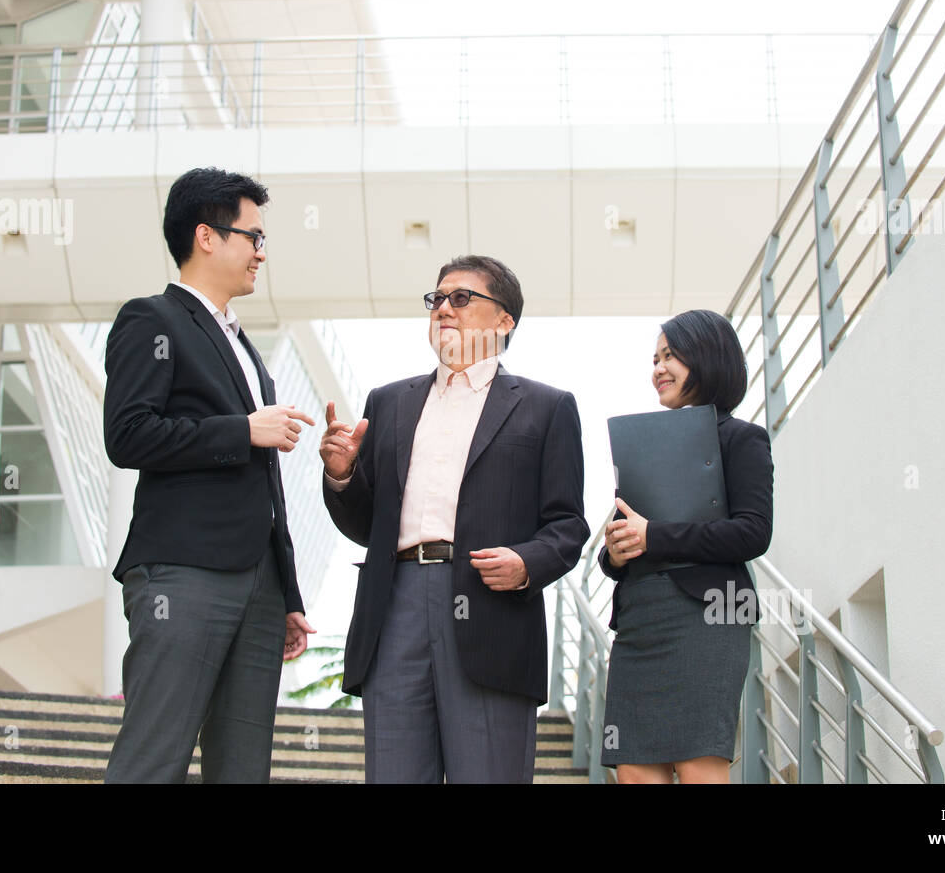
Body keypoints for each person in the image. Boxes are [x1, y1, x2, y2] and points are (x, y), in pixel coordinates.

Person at [320, 255, 590, 783]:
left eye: (461, 298)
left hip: (492, 611)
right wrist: (342, 477)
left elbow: (567, 525)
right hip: (394, 604)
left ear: (504, 319)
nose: (443, 308)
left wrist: (525, 562)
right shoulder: (389, 402)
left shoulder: (547, 407)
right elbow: (367, 525)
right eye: (436, 299)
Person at [103, 167, 316, 783]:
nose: (260, 252)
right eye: (252, 236)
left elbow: (265, 485)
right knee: (154, 756)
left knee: (243, 769)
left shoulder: (246, 349)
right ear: (206, 236)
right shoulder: (152, 320)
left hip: (259, 586)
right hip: (183, 573)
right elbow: (129, 435)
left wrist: (287, 594)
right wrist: (243, 430)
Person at [599, 309, 773, 784]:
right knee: (632, 769)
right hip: (639, 619)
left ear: (707, 356)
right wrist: (614, 553)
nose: (657, 367)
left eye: (670, 355)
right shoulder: (644, 445)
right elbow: (626, 531)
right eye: (654, 358)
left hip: (708, 615)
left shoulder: (742, 439)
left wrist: (655, 535)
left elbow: (753, 532)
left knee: (699, 765)